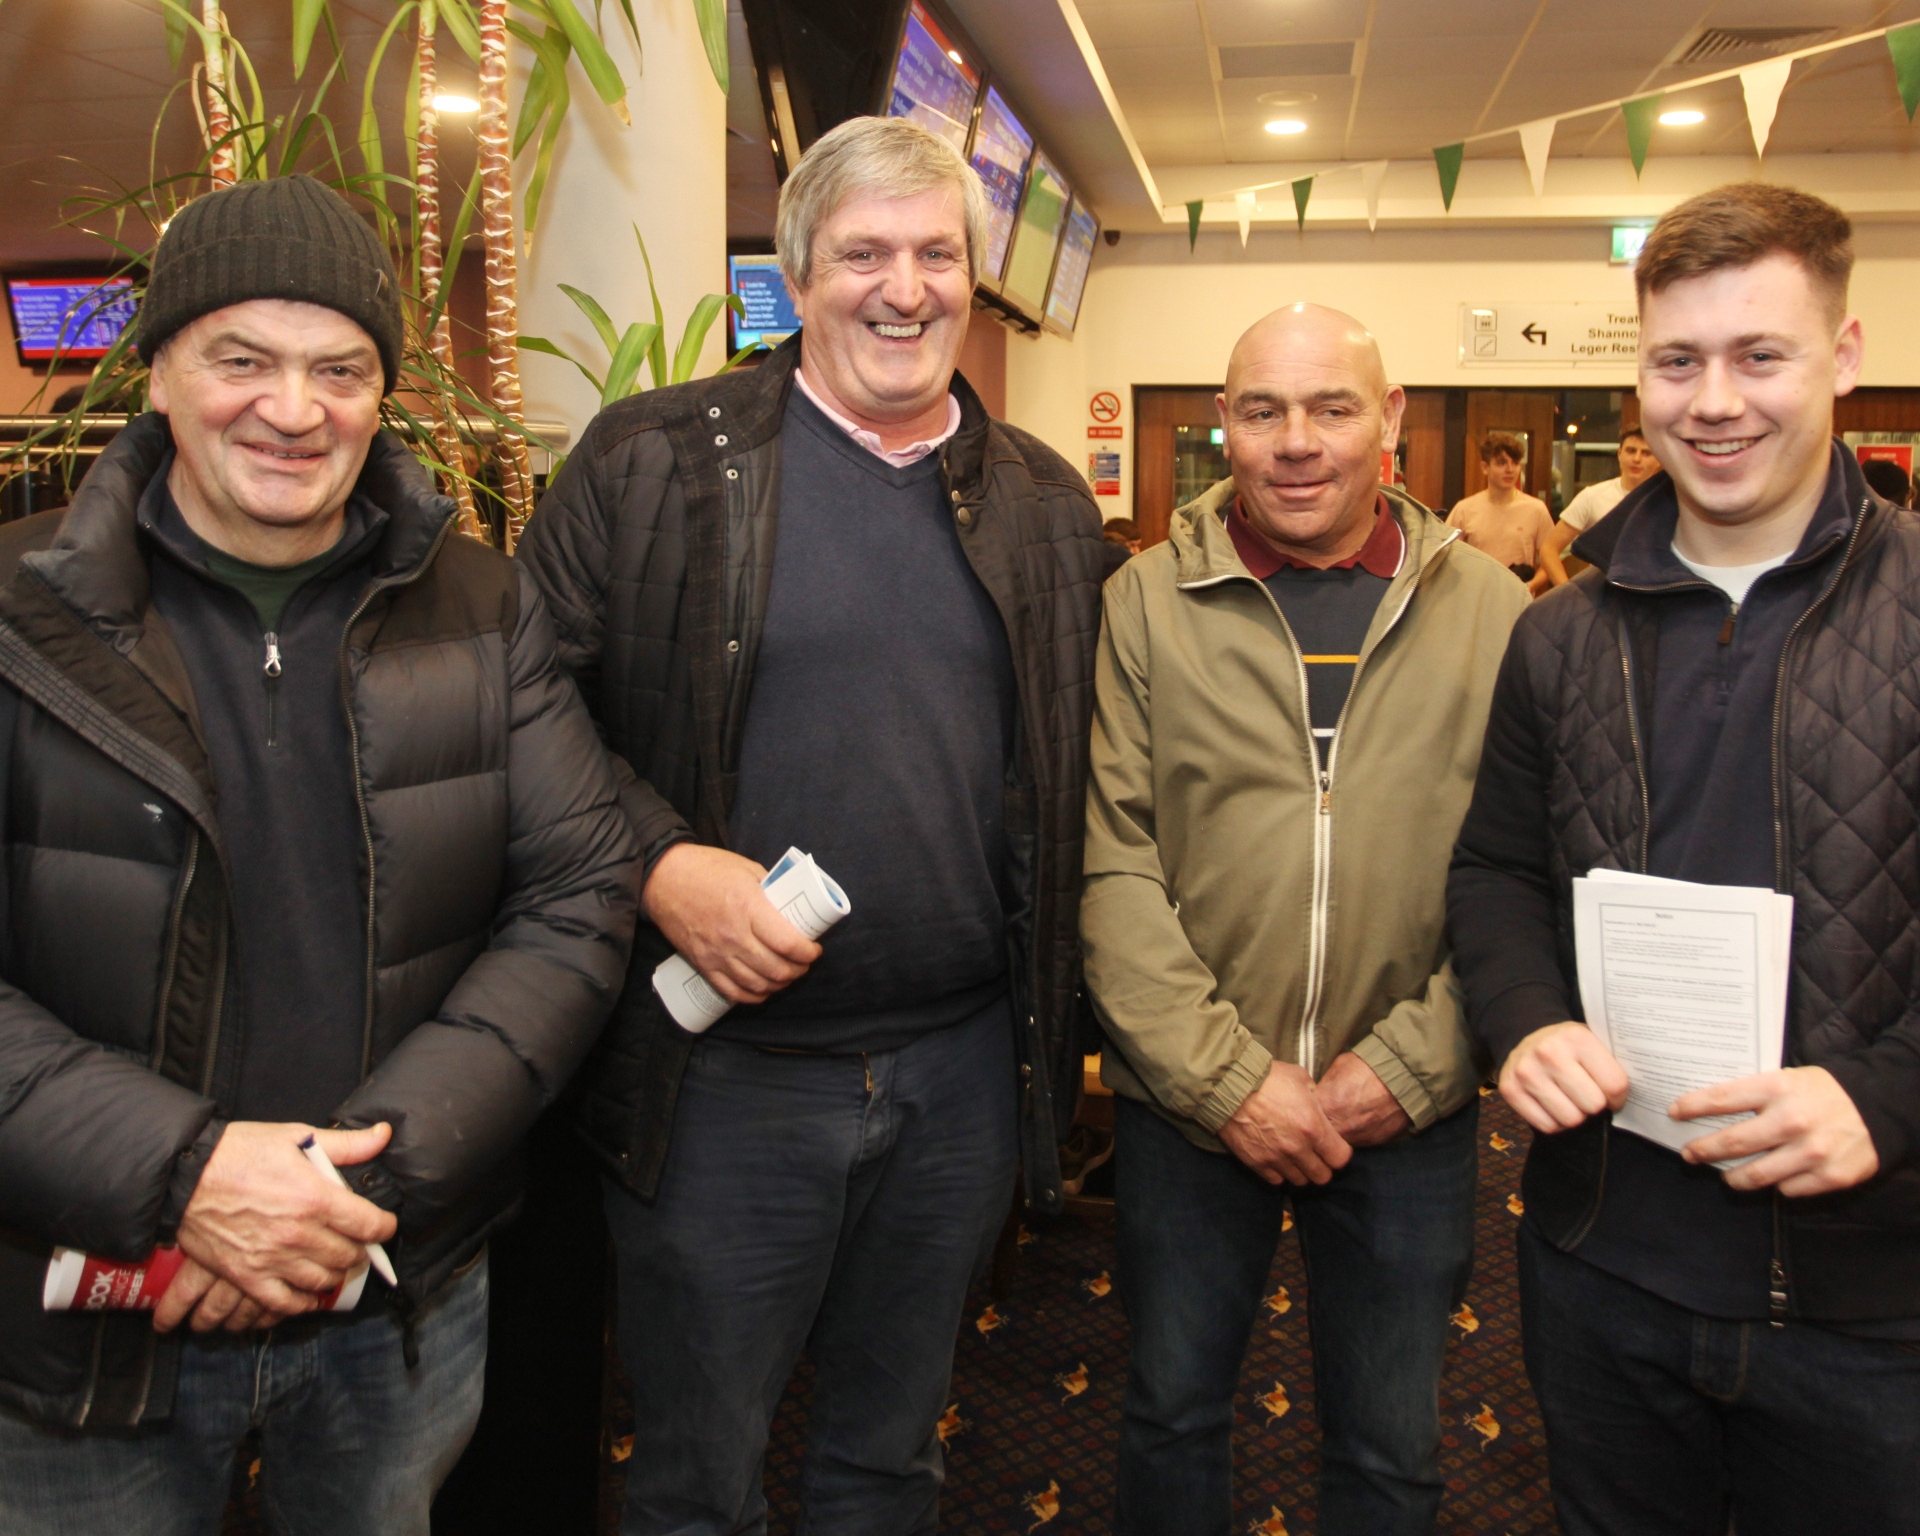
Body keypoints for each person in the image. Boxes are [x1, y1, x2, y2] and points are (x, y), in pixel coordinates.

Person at [0, 175, 639, 1535]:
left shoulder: (478, 600)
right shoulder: (14, 617)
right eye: (243, 358)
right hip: (87, 1305)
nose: (293, 411)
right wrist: (187, 1181)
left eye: (339, 369)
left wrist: (351, 1190)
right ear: (160, 373)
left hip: (389, 1291)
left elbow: (576, 896)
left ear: (381, 392)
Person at [517, 115, 1109, 1535]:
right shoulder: (652, 463)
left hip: (959, 1075)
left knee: (891, 1458)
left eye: (934, 254)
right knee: (695, 1478)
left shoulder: (1043, 500)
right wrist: (659, 863)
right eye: (863, 254)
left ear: (974, 277)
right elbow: (518, 708)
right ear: (794, 273)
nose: (903, 288)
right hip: (724, 1084)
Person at [1450, 182, 1920, 1536]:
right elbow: (1493, 875)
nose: (1714, 401)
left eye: (1760, 356)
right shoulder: (1560, 635)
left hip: (1874, 1307)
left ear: (1842, 356)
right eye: (1677, 361)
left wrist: (1887, 1097)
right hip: (1604, 1266)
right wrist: (1523, 1018)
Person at [1082, 303, 1530, 1536]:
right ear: (1223, 423)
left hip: (1411, 1110)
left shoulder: (1495, 613)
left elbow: (1529, 873)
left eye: (1332, 407)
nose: (1296, 441)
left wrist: (1411, 1068)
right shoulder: (1145, 603)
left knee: (1392, 1446)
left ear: (1389, 422)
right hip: (1190, 1108)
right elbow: (1112, 865)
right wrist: (1230, 1082)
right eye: (1263, 409)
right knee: (1171, 1412)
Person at [1447, 432, 1567, 593]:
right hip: (1476, 598)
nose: (1510, 470)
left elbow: (1550, 561)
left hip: (1519, 601)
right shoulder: (1464, 509)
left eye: (1515, 463)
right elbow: (1446, 558)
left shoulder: (1536, 509)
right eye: (1501, 463)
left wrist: (1530, 586)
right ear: (1485, 467)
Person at [1545, 426, 1661, 563]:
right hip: (1599, 580)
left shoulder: (1670, 501)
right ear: (1619, 454)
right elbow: (1549, 549)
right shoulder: (1592, 496)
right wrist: (1569, 584)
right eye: (1631, 451)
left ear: (1659, 459)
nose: (1637, 458)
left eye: (1646, 453)